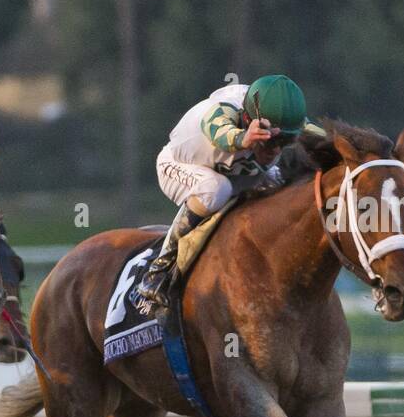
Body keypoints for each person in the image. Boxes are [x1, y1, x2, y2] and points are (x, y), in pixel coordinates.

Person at [137, 74, 324, 310]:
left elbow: (328, 138)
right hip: (179, 166)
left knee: (281, 185)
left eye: (283, 143)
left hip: (233, 172)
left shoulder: (280, 118)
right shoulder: (224, 110)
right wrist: (243, 138)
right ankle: (158, 270)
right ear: (247, 120)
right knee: (215, 189)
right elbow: (217, 130)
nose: (274, 150)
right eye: (268, 141)